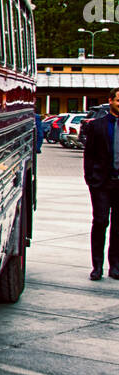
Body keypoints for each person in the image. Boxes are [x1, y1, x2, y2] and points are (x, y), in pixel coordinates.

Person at [82, 87, 119, 280]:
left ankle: (115, 266)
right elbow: (89, 155)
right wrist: (91, 179)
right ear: (111, 101)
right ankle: (97, 266)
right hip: (102, 184)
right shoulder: (97, 125)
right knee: (100, 221)